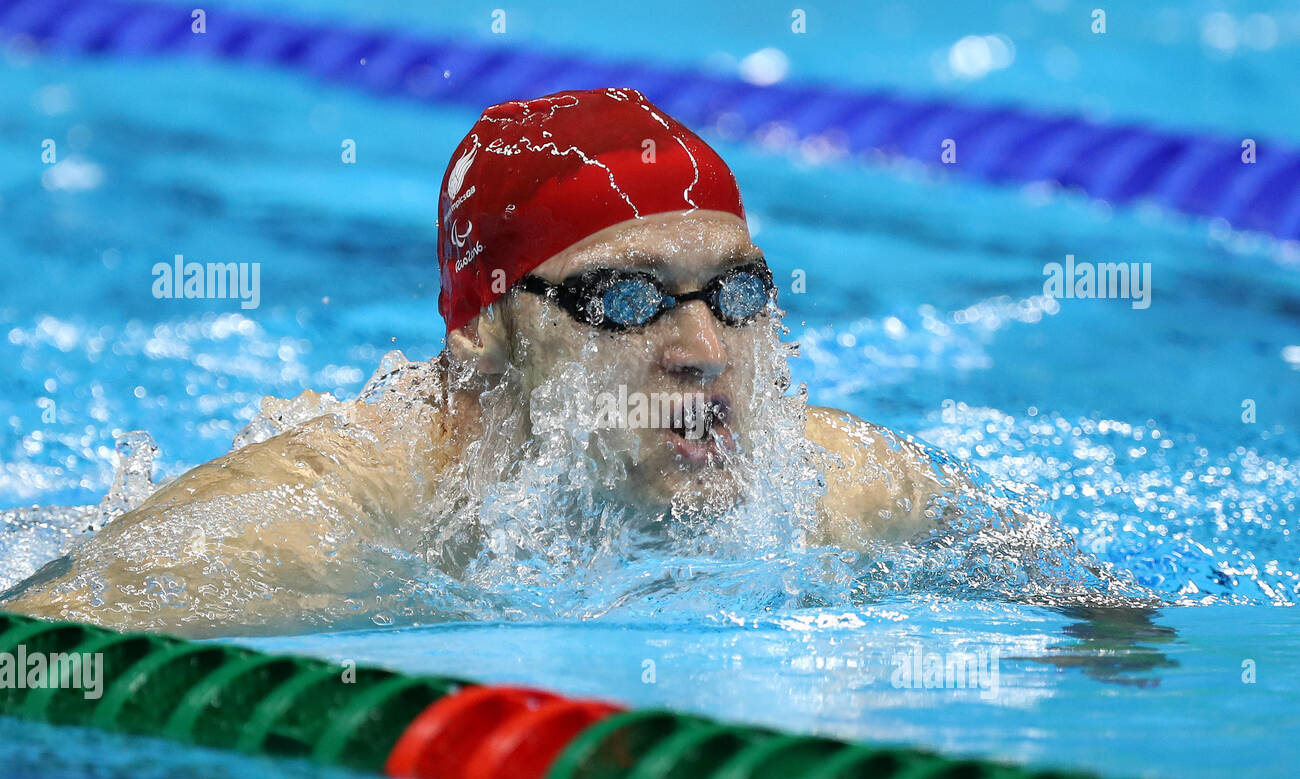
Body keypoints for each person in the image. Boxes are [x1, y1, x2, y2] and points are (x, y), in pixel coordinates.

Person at [0, 88, 1118, 634]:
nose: (703, 354)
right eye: (624, 300)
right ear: (483, 325)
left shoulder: (851, 485)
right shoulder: (317, 528)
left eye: (736, 294)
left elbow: (1109, 626)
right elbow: (36, 663)